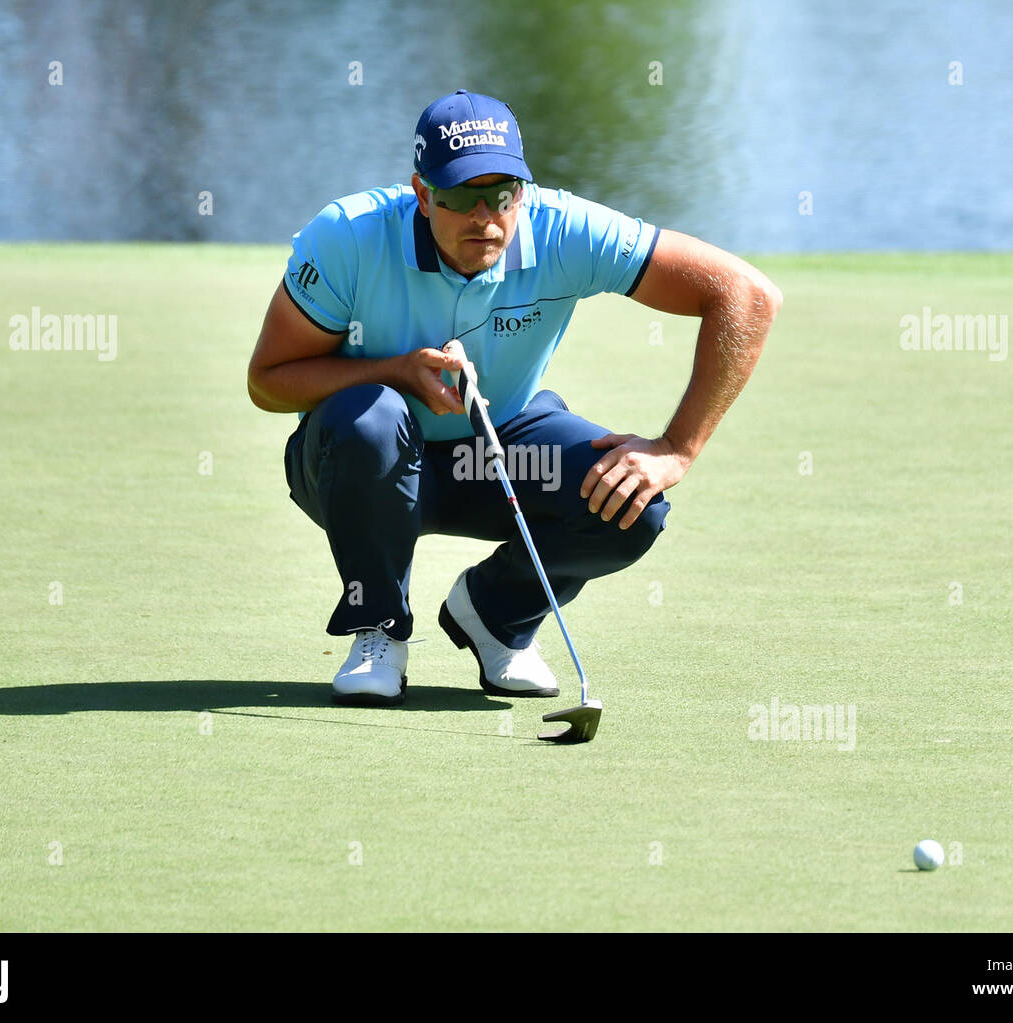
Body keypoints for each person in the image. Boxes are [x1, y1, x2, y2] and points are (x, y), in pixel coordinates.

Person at [248, 89, 781, 706]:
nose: (486, 217)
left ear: (523, 193)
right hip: (357, 467)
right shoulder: (349, 236)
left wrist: (676, 448)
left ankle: (495, 613)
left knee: (635, 503)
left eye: (503, 195)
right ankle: (378, 631)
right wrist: (393, 371)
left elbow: (746, 296)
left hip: (498, 455)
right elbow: (268, 379)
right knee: (371, 418)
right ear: (422, 195)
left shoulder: (564, 231)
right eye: (460, 197)